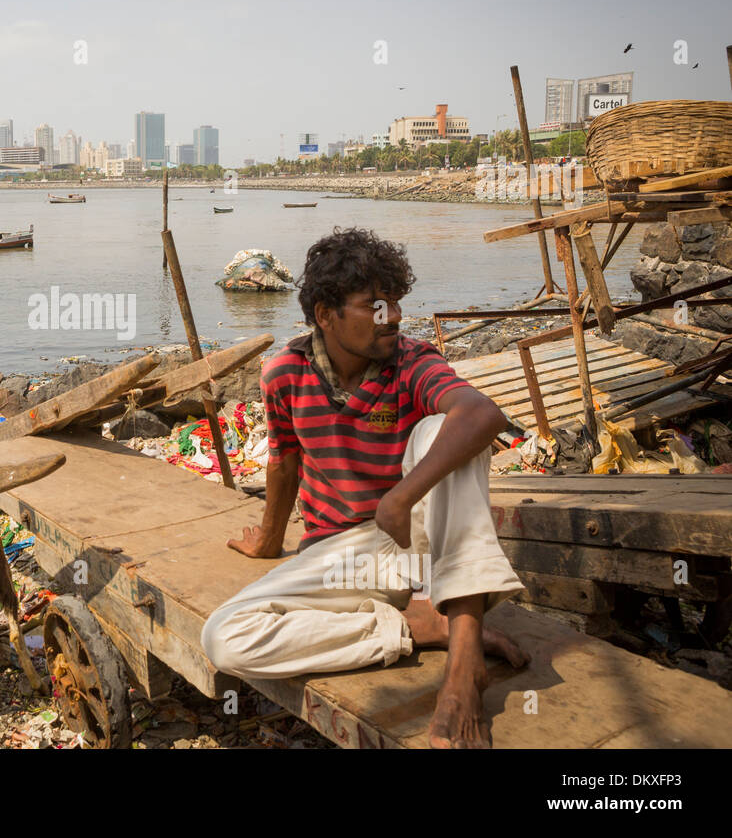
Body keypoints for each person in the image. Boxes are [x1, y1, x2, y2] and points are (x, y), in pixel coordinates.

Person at [200, 227, 528, 748]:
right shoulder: (285, 374)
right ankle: (415, 628)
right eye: (374, 305)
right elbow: (284, 462)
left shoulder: (411, 362)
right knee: (224, 636)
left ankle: (464, 664)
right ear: (326, 314)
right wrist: (267, 540)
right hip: (344, 558)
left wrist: (401, 496)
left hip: (420, 551)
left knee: (446, 431)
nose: (392, 316)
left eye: (394, 302)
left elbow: (482, 413)